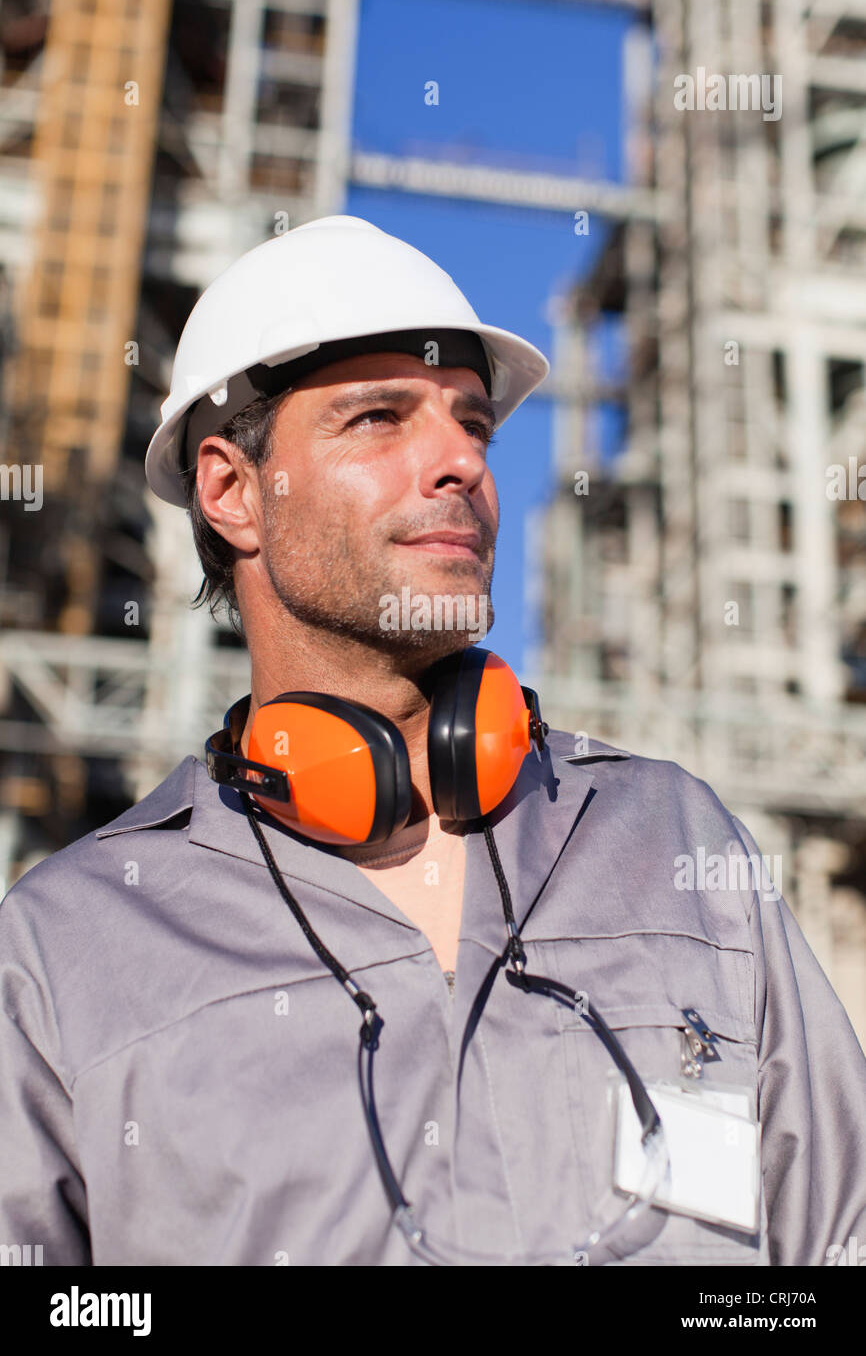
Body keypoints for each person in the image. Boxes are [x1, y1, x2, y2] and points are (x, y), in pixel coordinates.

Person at [1, 216, 865, 1267]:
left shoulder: (678, 847)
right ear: (232, 490)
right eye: (377, 417)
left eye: (472, 424)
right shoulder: (65, 954)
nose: (459, 459)